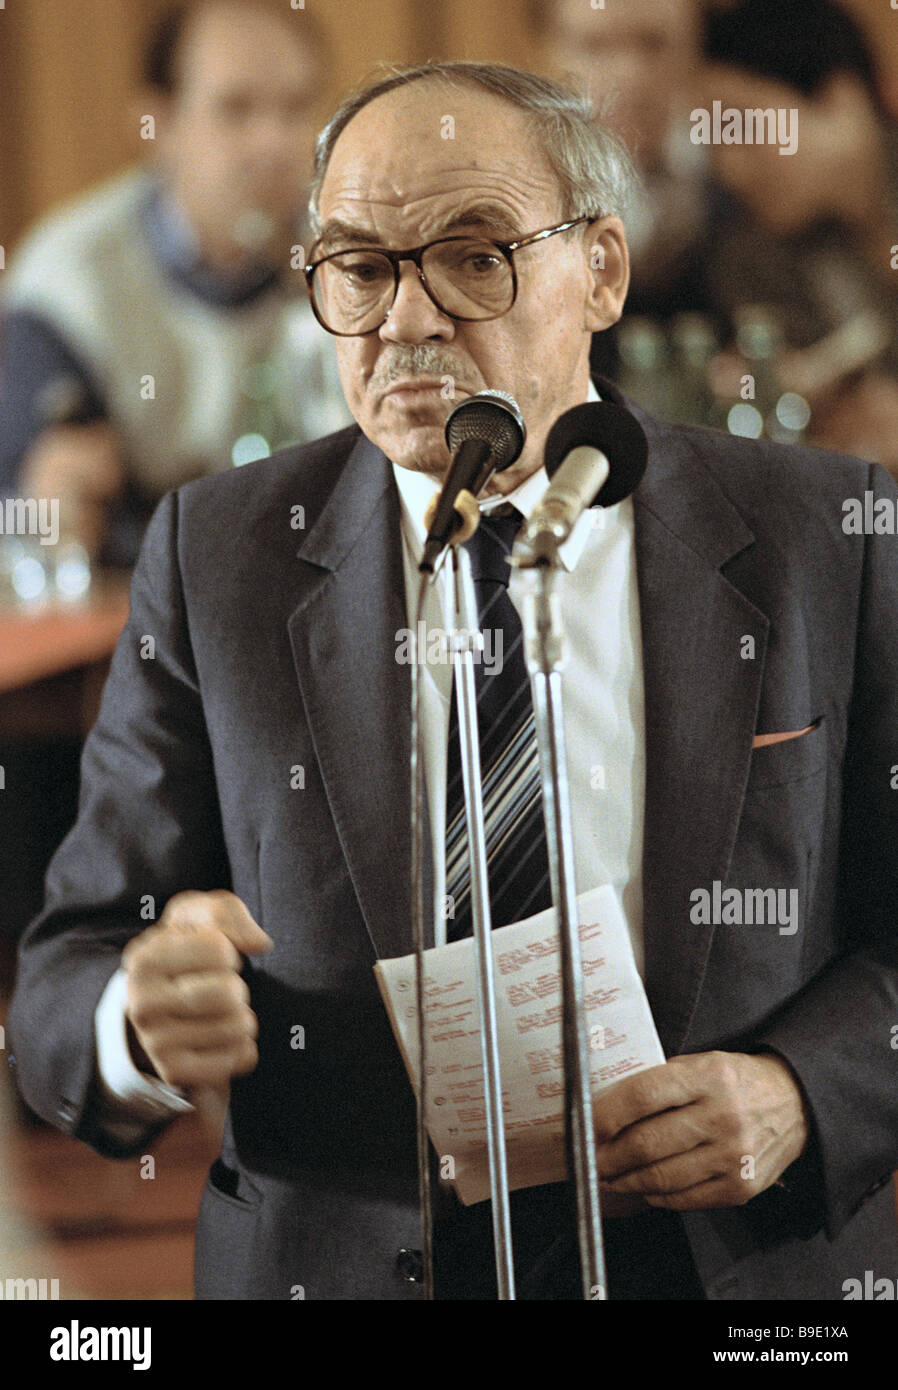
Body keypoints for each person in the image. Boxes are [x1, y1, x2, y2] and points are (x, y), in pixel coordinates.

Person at [8, 60, 898, 1301]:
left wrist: (804, 1091)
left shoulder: (828, 534)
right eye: (359, 268)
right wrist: (135, 1021)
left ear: (602, 269)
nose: (406, 320)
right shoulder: (221, 555)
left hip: (730, 1270)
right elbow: (68, 968)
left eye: (474, 257)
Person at [0, 0, 350, 567]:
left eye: (296, 107)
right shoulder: (70, 279)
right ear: (158, 124)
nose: (275, 142)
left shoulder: (357, 260)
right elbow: (28, 507)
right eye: (235, 109)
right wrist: (51, 507)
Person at [700, 0, 898, 473]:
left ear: (839, 98)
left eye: (743, 124)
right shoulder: (750, 253)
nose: (728, 167)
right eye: (713, 138)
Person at [532, 0, 725, 380]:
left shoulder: (741, 173)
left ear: (697, 47)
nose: (631, 75)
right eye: (595, 46)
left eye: (654, 44)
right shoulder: (522, 193)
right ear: (546, 53)